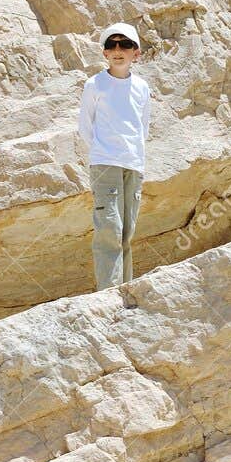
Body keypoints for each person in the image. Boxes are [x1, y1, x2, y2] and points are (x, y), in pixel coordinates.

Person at [78, 21, 152, 293]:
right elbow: (85, 126)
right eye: (112, 44)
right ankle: (108, 294)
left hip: (133, 164)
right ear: (105, 52)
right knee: (108, 228)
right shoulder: (94, 84)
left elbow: (142, 126)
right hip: (105, 164)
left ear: (137, 52)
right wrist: (103, 150)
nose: (118, 49)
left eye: (125, 44)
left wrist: (131, 153)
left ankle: (127, 290)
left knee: (126, 232)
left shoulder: (142, 88)